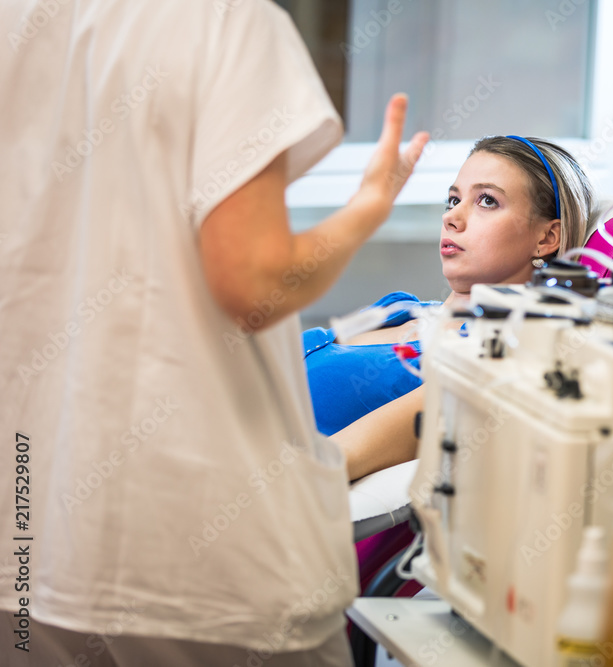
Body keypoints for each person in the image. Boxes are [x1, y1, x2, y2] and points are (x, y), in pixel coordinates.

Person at [0, 1, 427, 665]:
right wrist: (369, 205)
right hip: (200, 554)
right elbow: (257, 285)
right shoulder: (222, 18)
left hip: (27, 538)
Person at [304, 135, 595, 481]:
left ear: (547, 238)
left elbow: (324, 467)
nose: (452, 217)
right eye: (453, 199)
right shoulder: (401, 307)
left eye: (487, 200)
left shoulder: (479, 359)